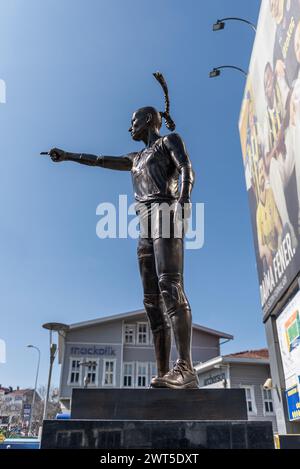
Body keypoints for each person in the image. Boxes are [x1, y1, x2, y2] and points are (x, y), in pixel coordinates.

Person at [44, 74, 199, 389]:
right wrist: (69, 156)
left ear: (146, 120)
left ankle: (186, 368)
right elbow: (100, 160)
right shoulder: (135, 159)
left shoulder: (170, 140)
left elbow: (186, 169)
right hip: (144, 224)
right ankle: (162, 372)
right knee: (151, 301)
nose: (130, 127)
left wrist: (183, 201)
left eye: (133, 121)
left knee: (170, 286)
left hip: (166, 213)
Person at [256, 155, 283, 270]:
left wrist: (281, 247)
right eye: (260, 170)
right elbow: (261, 248)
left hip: (279, 250)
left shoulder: (271, 193)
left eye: (263, 169)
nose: (262, 174)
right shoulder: (258, 212)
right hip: (270, 257)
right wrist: (266, 251)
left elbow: (279, 227)